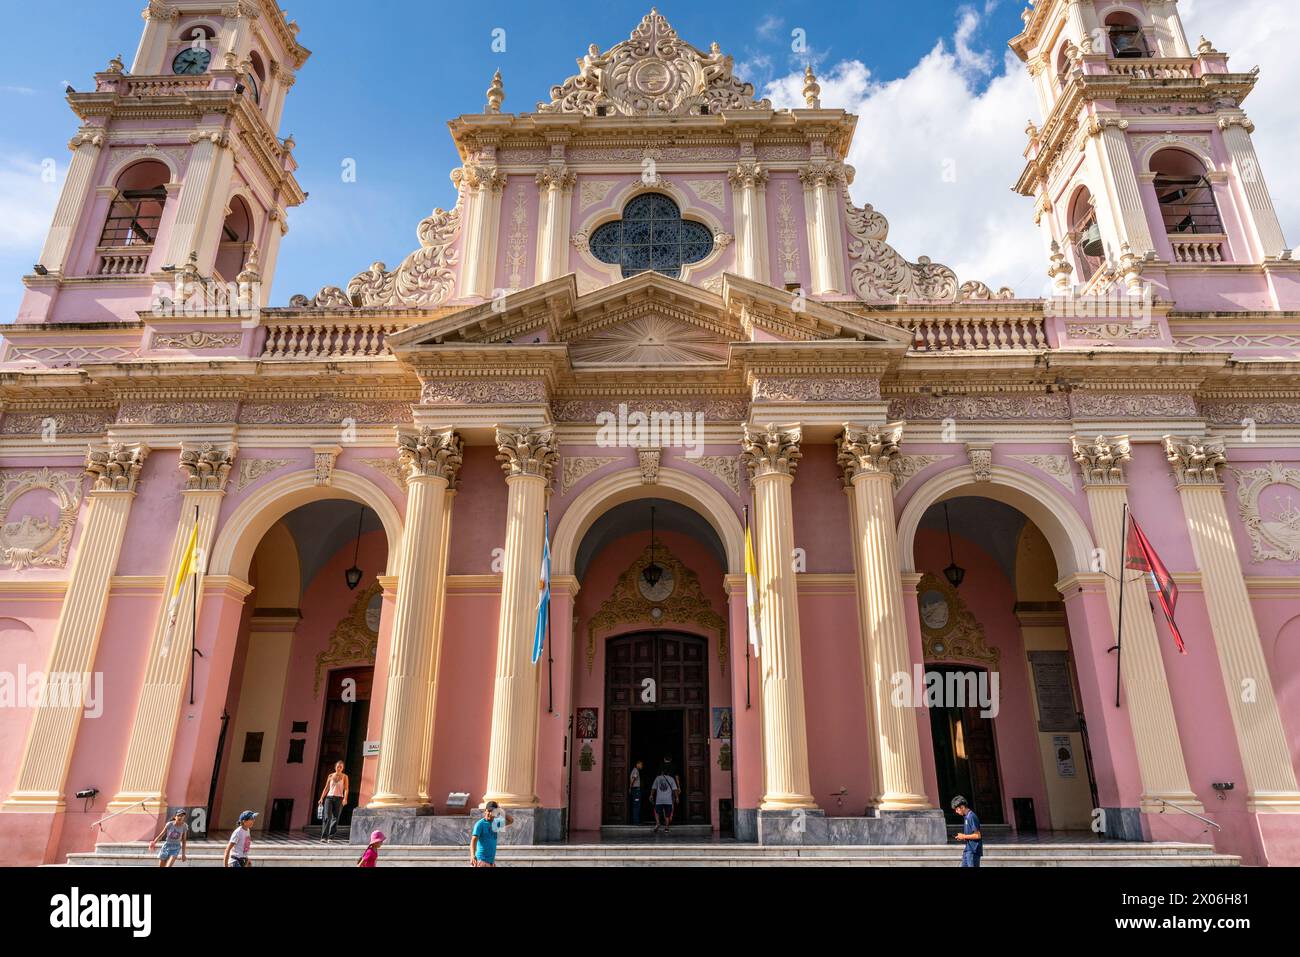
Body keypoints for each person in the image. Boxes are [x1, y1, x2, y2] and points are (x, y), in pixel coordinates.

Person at [470, 801, 513, 867]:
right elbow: (473, 840)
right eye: (489, 811)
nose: (490, 813)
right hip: (481, 861)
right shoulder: (480, 824)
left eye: (493, 812)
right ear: (485, 811)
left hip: (491, 862)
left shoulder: (496, 823)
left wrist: (500, 810)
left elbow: (511, 820)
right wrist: (473, 856)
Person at [317, 760, 349, 843]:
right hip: (329, 798)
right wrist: (321, 798)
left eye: (341, 767)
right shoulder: (330, 776)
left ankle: (330, 837)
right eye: (338, 766)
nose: (339, 768)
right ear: (335, 767)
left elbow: (346, 789)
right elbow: (326, 788)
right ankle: (324, 837)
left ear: (343, 768)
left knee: (335, 818)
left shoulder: (345, 777)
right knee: (327, 817)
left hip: (339, 798)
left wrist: (345, 798)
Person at [951, 795, 983, 868]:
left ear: (962, 807)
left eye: (957, 809)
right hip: (968, 849)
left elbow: (977, 835)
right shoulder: (966, 816)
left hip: (973, 850)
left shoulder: (971, 816)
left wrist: (963, 836)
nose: (956, 812)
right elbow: (971, 834)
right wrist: (962, 837)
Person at [650, 761, 679, 833]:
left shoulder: (657, 778)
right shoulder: (671, 779)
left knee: (656, 812)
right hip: (668, 800)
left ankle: (657, 823)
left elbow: (654, 788)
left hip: (659, 800)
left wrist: (651, 795)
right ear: (668, 772)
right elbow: (675, 789)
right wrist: (677, 797)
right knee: (667, 814)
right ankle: (666, 828)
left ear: (662, 772)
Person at [629, 760, 644, 825]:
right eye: (641, 765)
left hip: (635, 790)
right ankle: (636, 822)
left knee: (636, 805)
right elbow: (633, 779)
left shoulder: (635, 770)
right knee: (636, 806)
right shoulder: (636, 770)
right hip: (636, 790)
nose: (642, 766)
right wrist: (630, 787)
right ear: (637, 764)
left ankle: (635, 821)